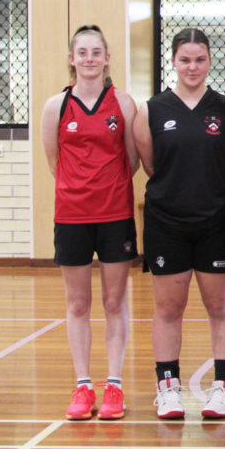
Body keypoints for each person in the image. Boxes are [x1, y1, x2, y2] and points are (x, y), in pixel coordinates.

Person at [133, 29, 225, 420]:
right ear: (174, 62)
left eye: (199, 59)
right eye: (185, 60)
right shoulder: (152, 110)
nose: (192, 67)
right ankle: (168, 389)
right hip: (167, 222)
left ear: (209, 61)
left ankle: (222, 388)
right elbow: (151, 166)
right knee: (168, 307)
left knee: (220, 305)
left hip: (217, 220)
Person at [41, 24, 139, 421]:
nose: (89, 59)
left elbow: (132, 160)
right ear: (72, 59)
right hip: (72, 216)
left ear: (107, 57)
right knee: (78, 303)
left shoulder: (124, 104)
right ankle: (83, 386)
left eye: (96, 52)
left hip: (115, 213)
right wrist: (79, 189)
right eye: (82, 52)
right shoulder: (56, 107)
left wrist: (108, 187)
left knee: (114, 302)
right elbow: (54, 161)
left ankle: (113, 386)